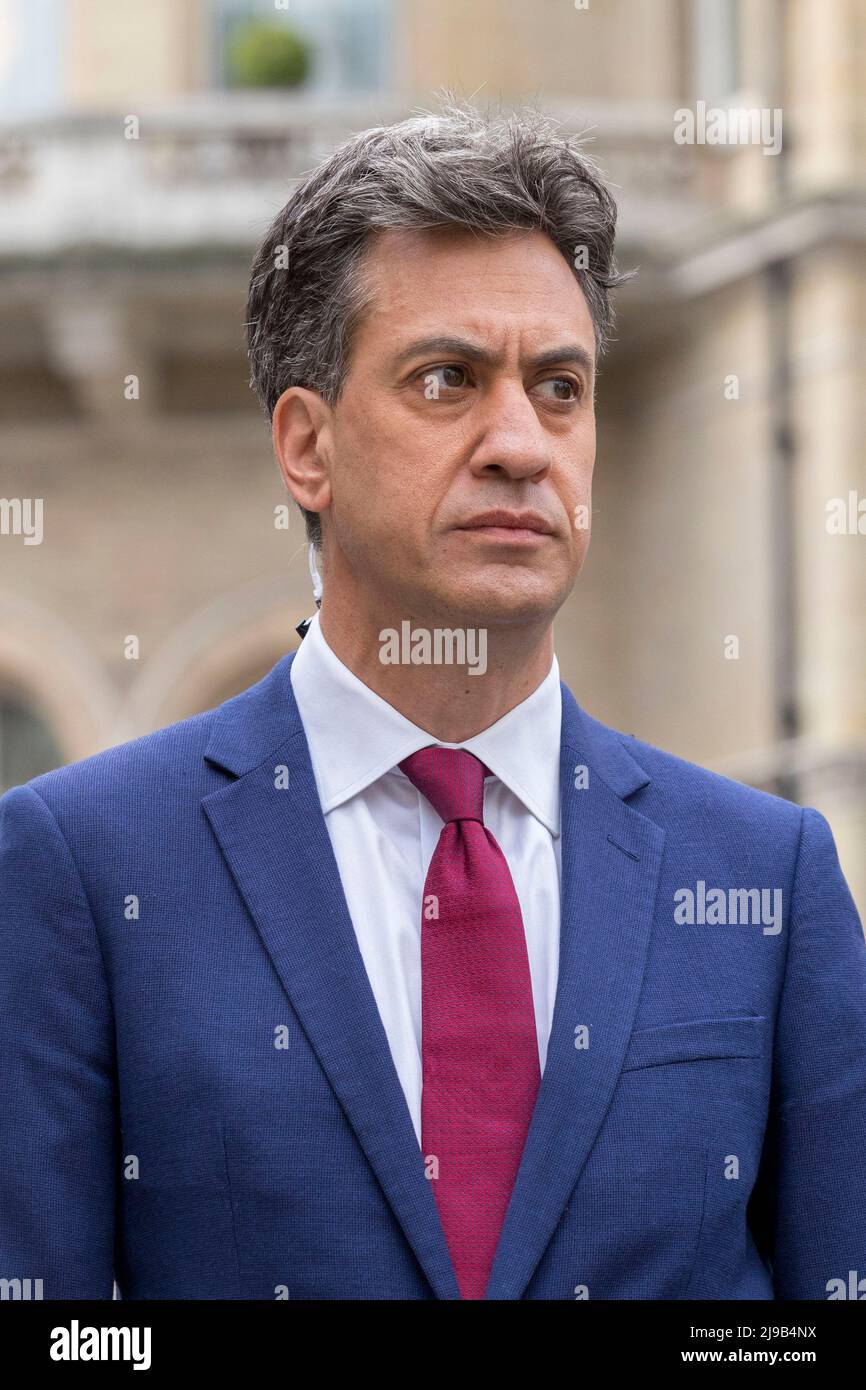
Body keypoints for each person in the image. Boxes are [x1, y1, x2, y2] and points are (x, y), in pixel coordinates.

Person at [1, 103, 864, 1301]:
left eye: (558, 387)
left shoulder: (766, 876)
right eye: (447, 379)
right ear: (306, 445)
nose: (521, 443)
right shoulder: (82, 869)